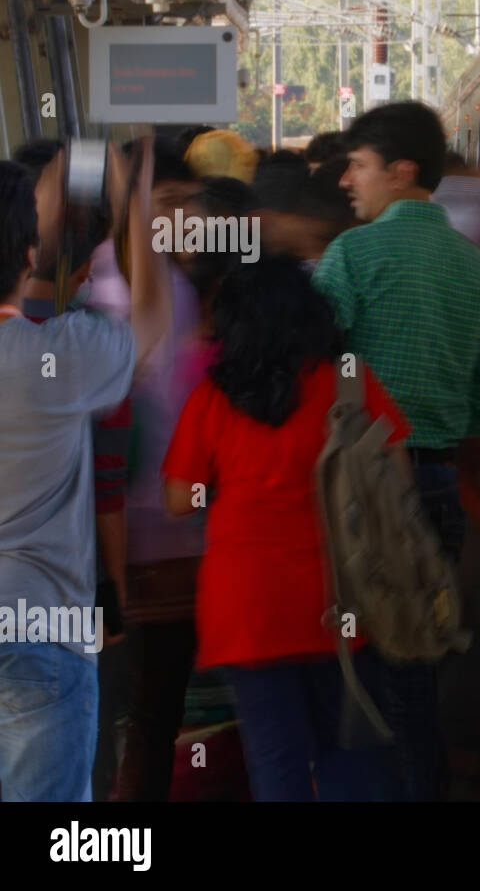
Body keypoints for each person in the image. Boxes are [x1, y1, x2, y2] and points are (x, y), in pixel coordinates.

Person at [312, 100, 480, 800]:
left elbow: (313, 370)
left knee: (362, 667)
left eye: (358, 166)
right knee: (419, 661)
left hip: (360, 488)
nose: (346, 181)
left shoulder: (351, 256)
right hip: (439, 482)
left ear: (400, 172)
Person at [160, 255, 410, 801]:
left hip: (246, 606)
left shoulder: (215, 395)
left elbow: (180, 498)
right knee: (350, 753)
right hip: (339, 597)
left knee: (276, 763)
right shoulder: (348, 382)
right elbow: (396, 473)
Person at [0, 137, 171, 802]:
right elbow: (153, 322)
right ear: (25, 254)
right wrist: (133, 205)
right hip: (44, 626)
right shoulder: (54, 358)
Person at [115, 173, 251, 802]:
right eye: (162, 204)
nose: (180, 218)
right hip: (150, 542)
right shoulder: (118, 292)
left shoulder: (199, 292)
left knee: (171, 698)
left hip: (192, 539)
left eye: (184, 206)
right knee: (154, 701)